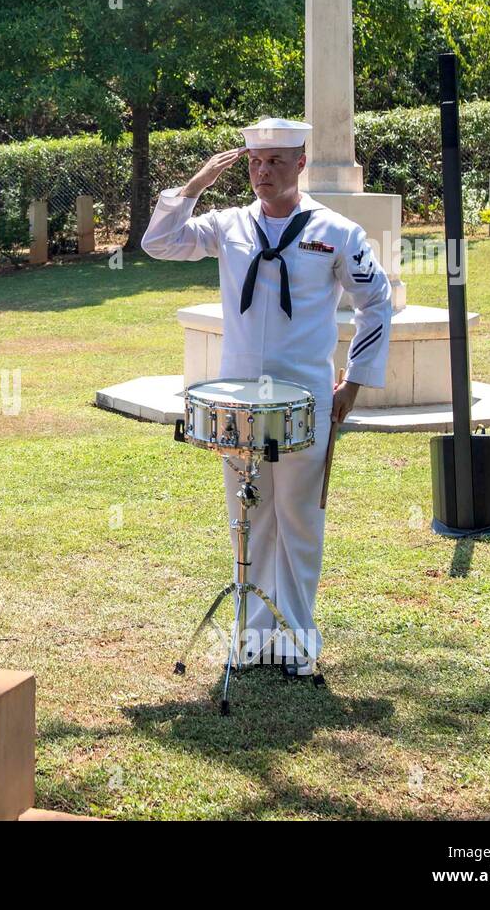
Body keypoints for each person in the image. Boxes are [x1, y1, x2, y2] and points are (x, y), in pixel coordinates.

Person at [141, 118, 392, 674]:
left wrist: (355, 378)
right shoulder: (229, 225)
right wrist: (193, 187)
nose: (263, 172)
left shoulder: (336, 232)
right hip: (238, 404)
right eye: (256, 163)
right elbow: (158, 243)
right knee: (247, 518)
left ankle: (297, 638)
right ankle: (253, 635)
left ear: (301, 163)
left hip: (304, 398)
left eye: (276, 162)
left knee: (298, 519)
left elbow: (377, 303)